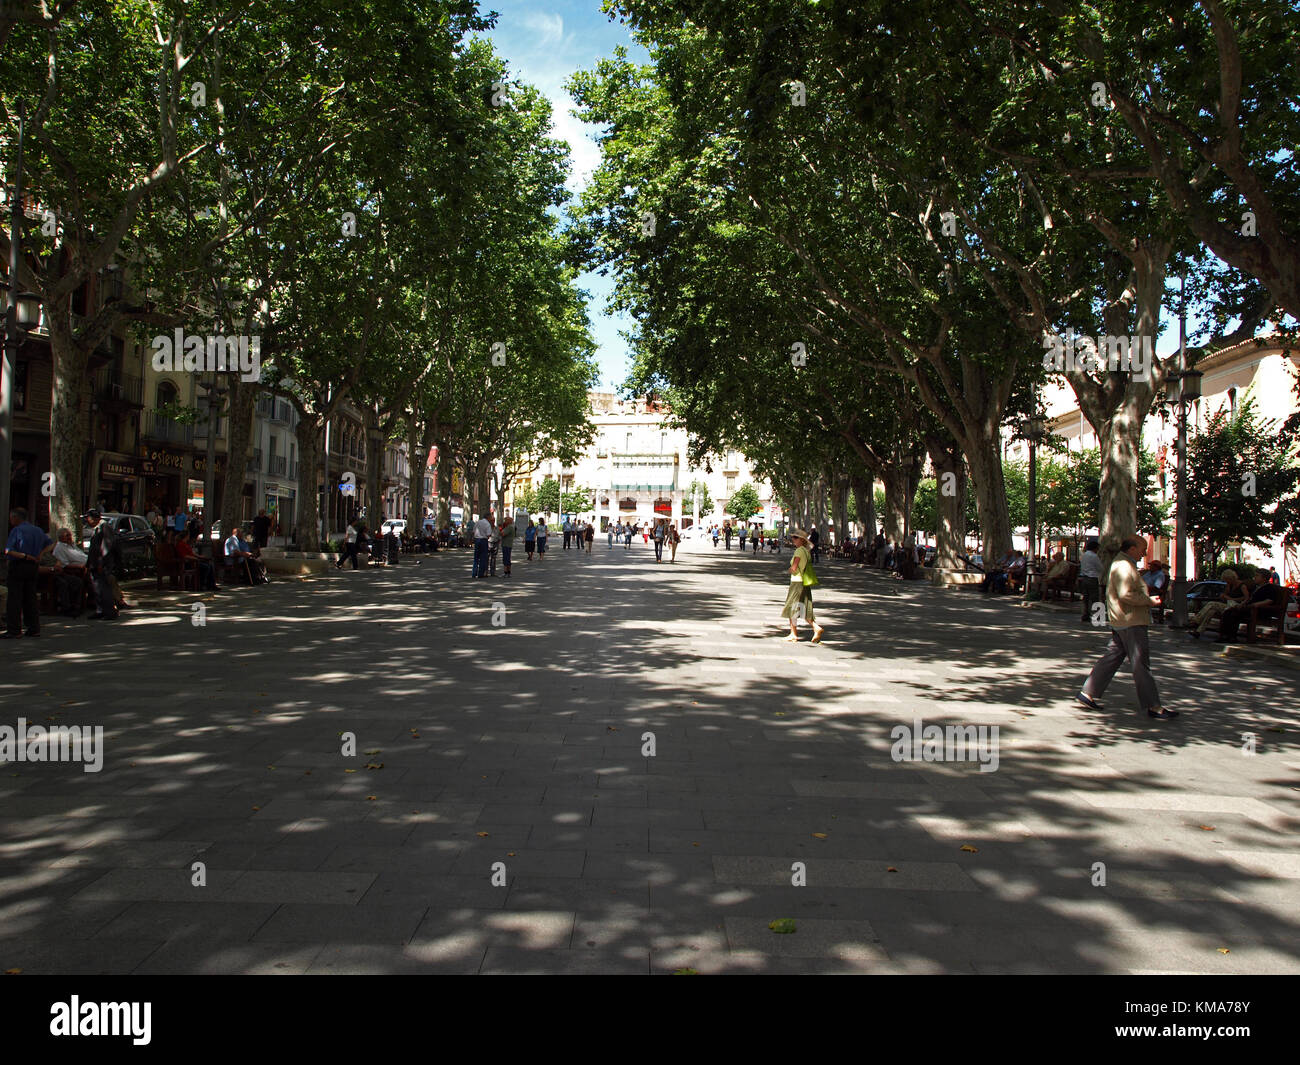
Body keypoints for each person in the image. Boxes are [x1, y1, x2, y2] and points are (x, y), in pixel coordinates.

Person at [1077, 535, 1174, 720]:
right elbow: (1125, 594)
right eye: (1142, 549)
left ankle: (1087, 692)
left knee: (1112, 657)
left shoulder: (1122, 564)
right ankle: (1153, 706)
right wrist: (1149, 601)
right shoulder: (1123, 565)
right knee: (1140, 663)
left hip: (1122, 619)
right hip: (1130, 620)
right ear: (1132, 548)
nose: (1144, 553)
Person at [4, 507, 51, 638]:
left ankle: (14, 629)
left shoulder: (17, 530)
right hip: (33, 566)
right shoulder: (37, 530)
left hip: (19, 565)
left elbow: (9, 551)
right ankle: (33, 627)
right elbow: (51, 543)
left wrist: (25, 556)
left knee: (15, 598)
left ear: (15, 517)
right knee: (30, 597)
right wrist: (40, 555)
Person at [781, 529, 824, 643]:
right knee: (803, 607)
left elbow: (794, 567)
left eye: (795, 537)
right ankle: (815, 627)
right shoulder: (806, 551)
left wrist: (788, 570)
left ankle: (793, 633)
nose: (793, 539)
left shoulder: (799, 551)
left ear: (801, 540)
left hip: (797, 582)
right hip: (804, 582)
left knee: (792, 607)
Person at [1218, 570, 1283, 644]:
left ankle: (1231, 636)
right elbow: (1249, 598)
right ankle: (1226, 635)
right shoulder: (1256, 587)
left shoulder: (1269, 588)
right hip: (1250, 608)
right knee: (1229, 612)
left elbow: (1270, 600)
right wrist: (1242, 604)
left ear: (1264, 578)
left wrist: (1257, 604)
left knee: (1234, 613)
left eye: (1257, 576)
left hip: (1260, 610)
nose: (1254, 577)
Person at [1188, 569, 1249, 639]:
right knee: (1211, 612)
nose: (1226, 582)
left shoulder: (1242, 586)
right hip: (1228, 605)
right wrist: (1224, 595)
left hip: (1234, 606)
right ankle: (1198, 631)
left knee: (1211, 604)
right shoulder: (1229, 586)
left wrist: (1231, 599)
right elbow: (1225, 596)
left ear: (1230, 578)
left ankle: (1196, 621)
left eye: (1226, 580)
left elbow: (1246, 598)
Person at [84, 509, 121, 620]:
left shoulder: (105, 527)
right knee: (97, 588)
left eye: (88, 518)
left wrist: (101, 562)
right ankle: (100, 610)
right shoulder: (97, 529)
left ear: (94, 518)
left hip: (102, 564)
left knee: (103, 588)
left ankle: (110, 612)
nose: (87, 521)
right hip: (95, 564)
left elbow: (106, 546)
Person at [51, 527, 92, 615]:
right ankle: (73, 607)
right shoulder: (60, 547)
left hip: (87, 566)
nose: (70, 537)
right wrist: (81, 566)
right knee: (80, 581)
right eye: (67, 536)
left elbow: (82, 555)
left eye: (70, 535)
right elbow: (64, 564)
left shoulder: (72, 545)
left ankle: (95, 602)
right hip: (70, 571)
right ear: (61, 537)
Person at [1079, 538, 1103, 623]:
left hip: (1084, 577)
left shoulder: (1084, 555)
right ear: (1095, 548)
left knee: (1086, 597)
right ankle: (1098, 615)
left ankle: (1085, 614)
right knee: (1094, 597)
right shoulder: (1094, 556)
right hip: (1092, 577)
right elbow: (1100, 567)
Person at [472, 512, 493, 578]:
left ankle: (474, 572)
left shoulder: (478, 522)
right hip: (483, 540)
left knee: (476, 557)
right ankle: (480, 573)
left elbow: (473, 531)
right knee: (483, 557)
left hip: (477, 539)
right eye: (491, 517)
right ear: (488, 517)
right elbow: (488, 534)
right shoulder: (487, 524)